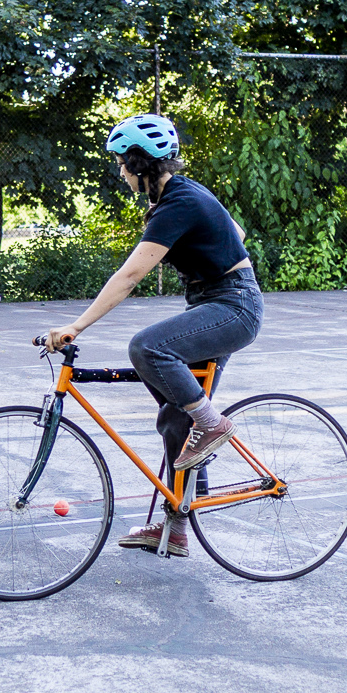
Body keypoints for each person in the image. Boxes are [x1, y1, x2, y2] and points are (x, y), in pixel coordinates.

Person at [38, 114, 259, 558]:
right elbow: (237, 232)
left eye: (123, 163)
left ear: (139, 165)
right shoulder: (184, 195)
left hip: (232, 307)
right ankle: (176, 529)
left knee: (147, 346)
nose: (120, 171)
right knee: (177, 420)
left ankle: (213, 425)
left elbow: (130, 276)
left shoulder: (179, 202)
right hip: (217, 303)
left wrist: (76, 326)